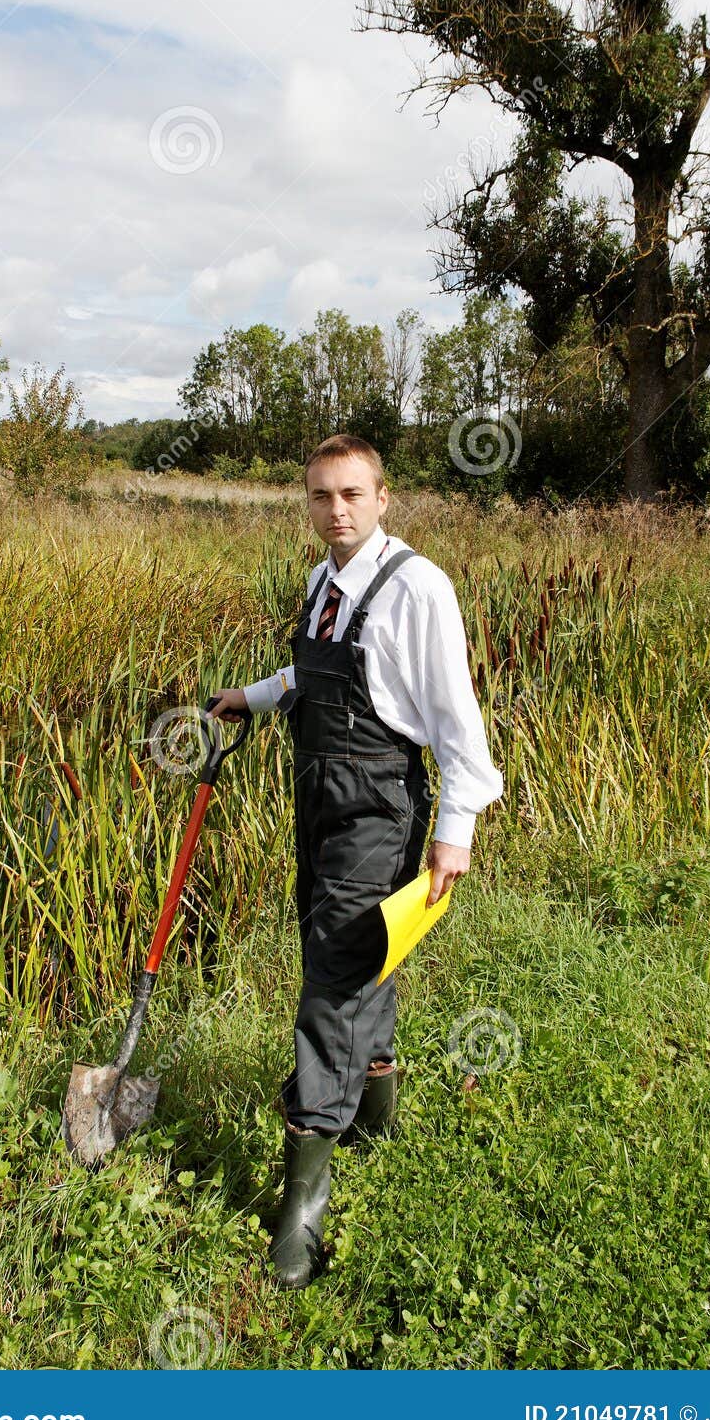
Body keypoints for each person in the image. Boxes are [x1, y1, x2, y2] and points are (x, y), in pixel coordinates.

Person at [207, 433, 503, 1288]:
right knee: (363, 947)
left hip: (378, 801)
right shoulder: (320, 582)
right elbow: (310, 672)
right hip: (318, 798)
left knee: (332, 978)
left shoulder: (417, 586)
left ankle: (304, 1197)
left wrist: (456, 829)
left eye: (350, 495)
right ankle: (377, 1114)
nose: (334, 510)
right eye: (319, 496)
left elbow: (456, 721)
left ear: (381, 499)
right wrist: (254, 697)